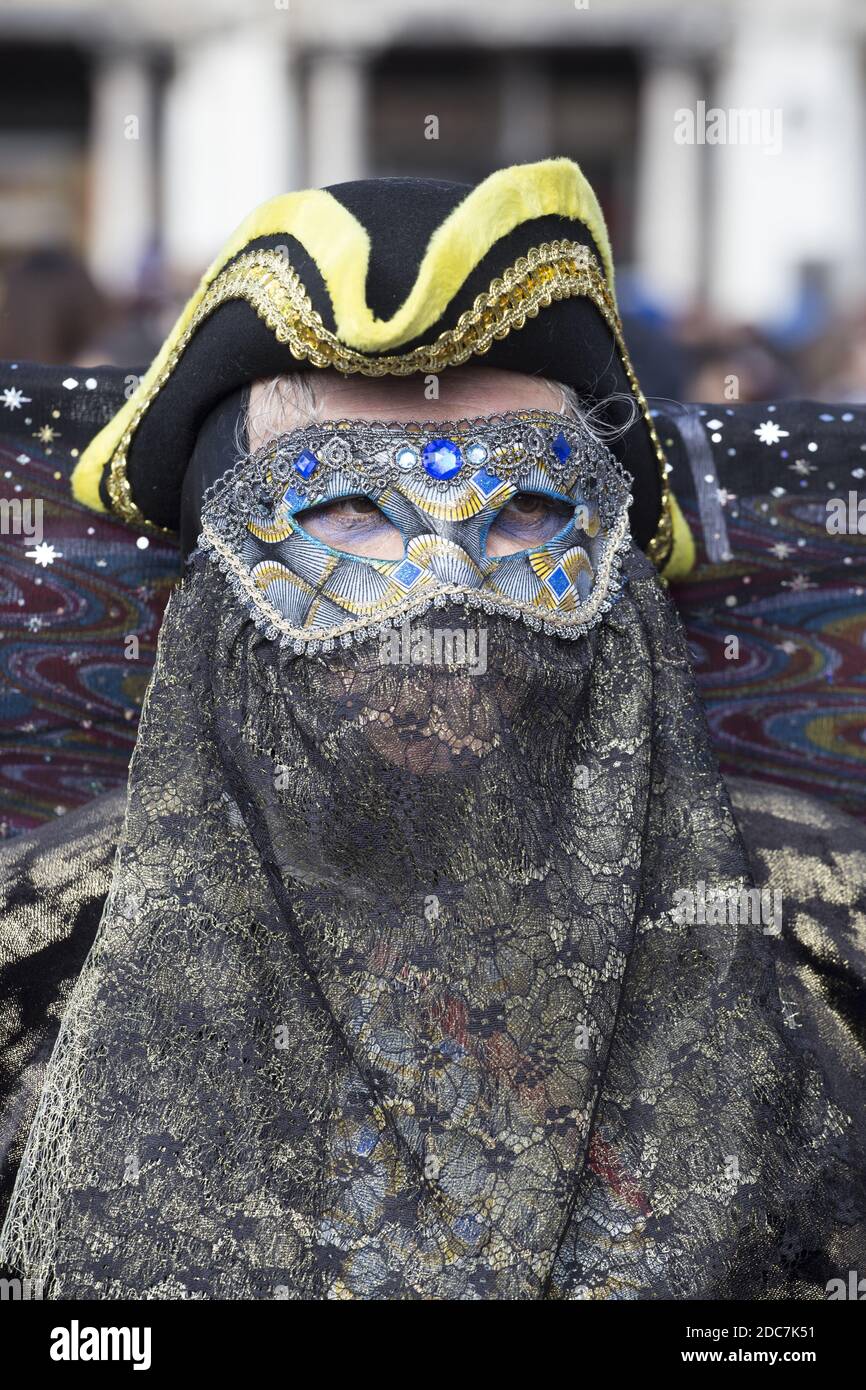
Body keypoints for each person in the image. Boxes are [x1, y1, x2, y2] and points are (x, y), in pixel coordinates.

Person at [0, 158, 863, 1300]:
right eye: (347, 508)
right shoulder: (37, 960)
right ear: (219, 574)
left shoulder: (822, 944)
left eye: (526, 509)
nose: (445, 587)